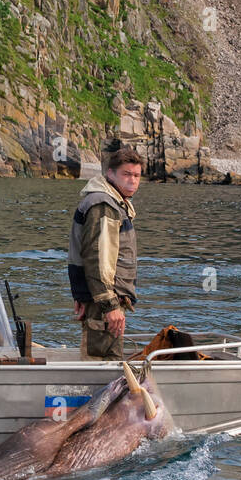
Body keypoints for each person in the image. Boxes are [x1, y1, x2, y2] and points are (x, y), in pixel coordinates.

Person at [68, 145, 142, 360]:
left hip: (98, 298)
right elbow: (96, 258)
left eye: (137, 175)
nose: (132, 180)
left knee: (100, 356)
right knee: (104, 362)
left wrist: (82, 294)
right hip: (105, 300)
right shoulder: (104, 206)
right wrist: (109, 305)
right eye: (126, 174)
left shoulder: (112, 202)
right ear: (110, 174)